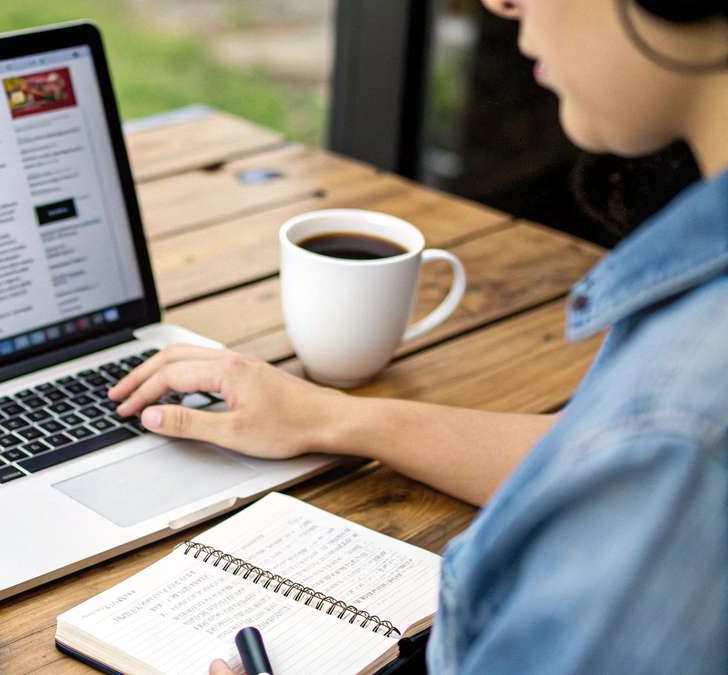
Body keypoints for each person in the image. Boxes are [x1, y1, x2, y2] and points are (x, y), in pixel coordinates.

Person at [108, 1, 728, 672]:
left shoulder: (683, 422)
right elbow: (596, 456)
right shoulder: (669, 427)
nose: (499, 2)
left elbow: (659, 447)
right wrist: (333, 417)